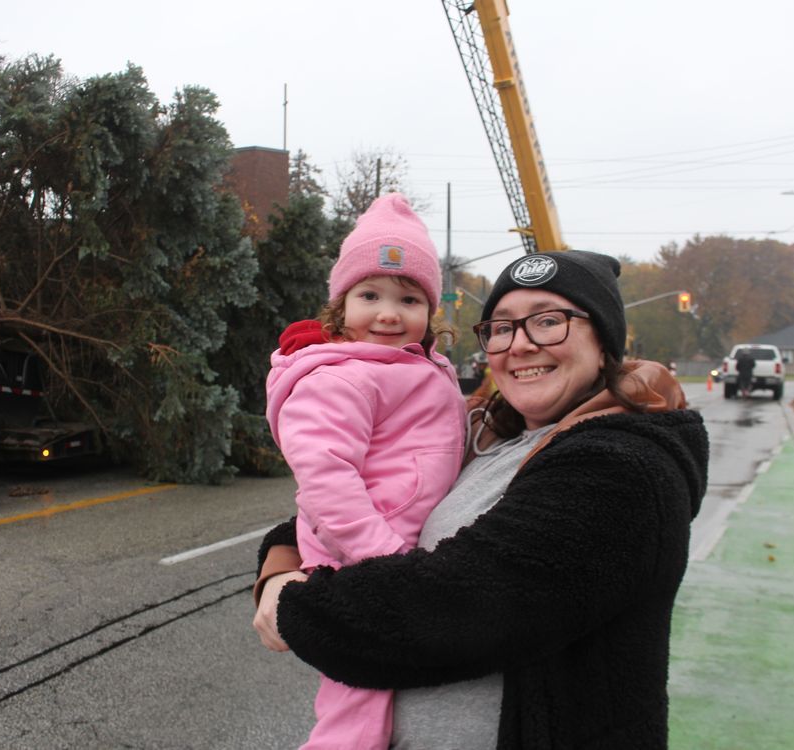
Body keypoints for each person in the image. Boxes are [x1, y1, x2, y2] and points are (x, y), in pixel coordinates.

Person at [254, 250, 710, 749]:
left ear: (604, 344)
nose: (520, 344)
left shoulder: (623, 467)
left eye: (549, 321)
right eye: (501, 326)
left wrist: (292, 606)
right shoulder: (484, 437)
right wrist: (279, 567)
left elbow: (452, 611)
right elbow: (363, 501)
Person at [265, 193, 467, 750]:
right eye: (369, 294)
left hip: (390, 551)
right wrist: (388, 560)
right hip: (360, 558)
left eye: (409, 298)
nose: (388, 312)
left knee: (382, 701)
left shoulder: (417, 368)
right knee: (356, 711)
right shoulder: (339, 377)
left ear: (430, 312)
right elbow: (326, 482)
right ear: (340, 306)